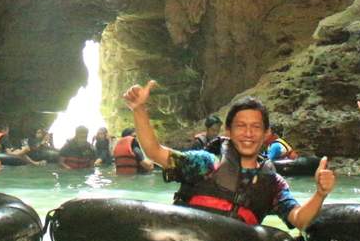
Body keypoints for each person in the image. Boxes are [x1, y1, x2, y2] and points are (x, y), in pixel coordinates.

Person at [122, 80, 335, 229]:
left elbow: (299, 219)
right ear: (228, 132)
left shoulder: (272, 183)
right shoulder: (205, 163)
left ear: (266, 133)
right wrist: (139, 109)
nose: (248, 133)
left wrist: (320, 193)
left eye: (256, 127)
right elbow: (155, 152)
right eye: (241, 126)